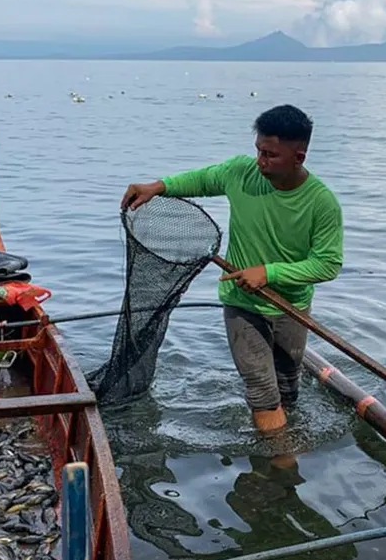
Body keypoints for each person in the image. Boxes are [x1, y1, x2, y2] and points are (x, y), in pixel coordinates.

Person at [120, 104, 343, 434]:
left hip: (292, 307)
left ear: (299, 157)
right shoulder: (242, 172)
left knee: (287, 389)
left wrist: (270, 273)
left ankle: (282, 443)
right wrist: (158, 186)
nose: (260, 161)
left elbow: (328, 264)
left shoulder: (321, 203)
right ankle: (282, 468)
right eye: (258, 150)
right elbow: (205, 179)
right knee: (262, 392)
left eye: (271, 155)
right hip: (243, 305)